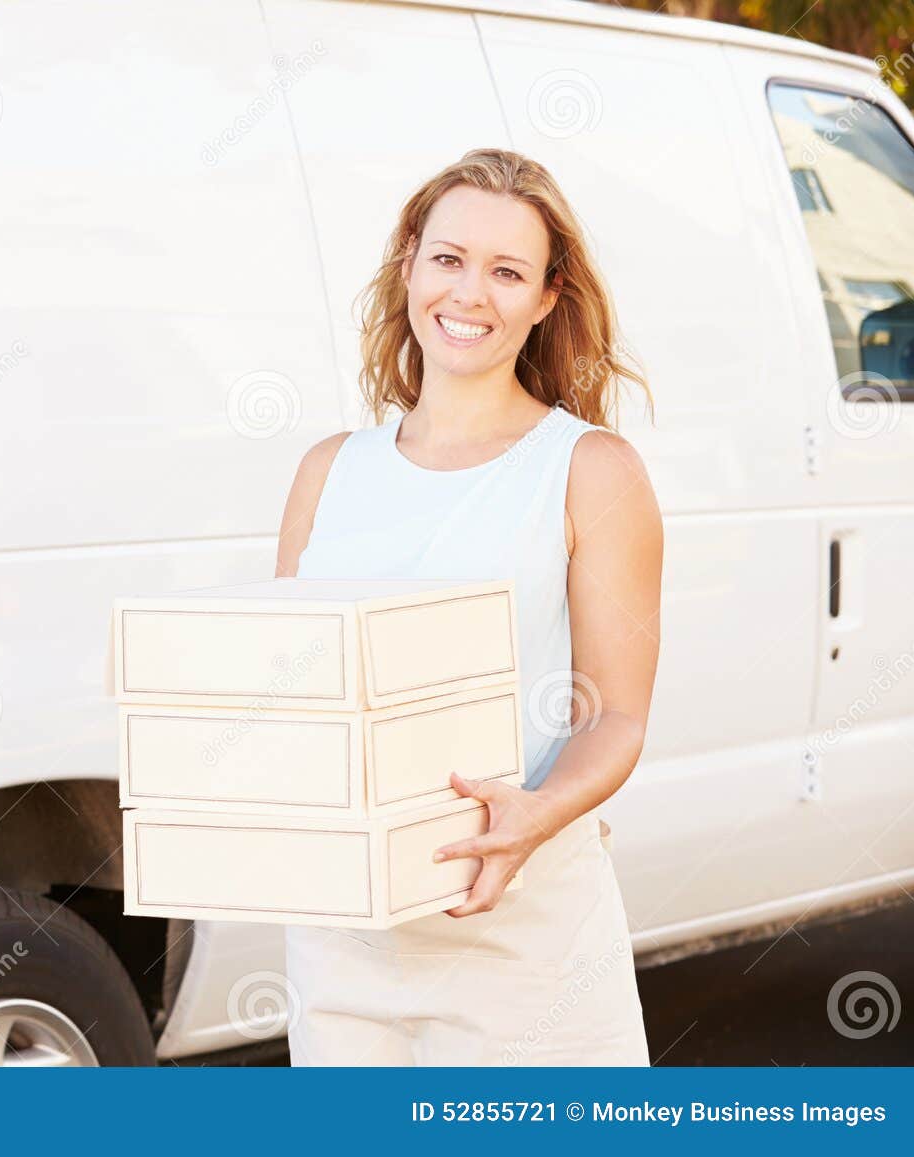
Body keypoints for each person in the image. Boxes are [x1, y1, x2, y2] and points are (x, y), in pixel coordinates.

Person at [274, 147, 663, 1066]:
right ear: (408, 262)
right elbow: (294, 691)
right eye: (448, 258)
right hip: (345, 944)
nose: (470, 294)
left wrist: (535, 813)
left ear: (545, 296)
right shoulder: (329, 471)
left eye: (507, 271)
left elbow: (617, 715)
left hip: (526, 941)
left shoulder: (591, 470)